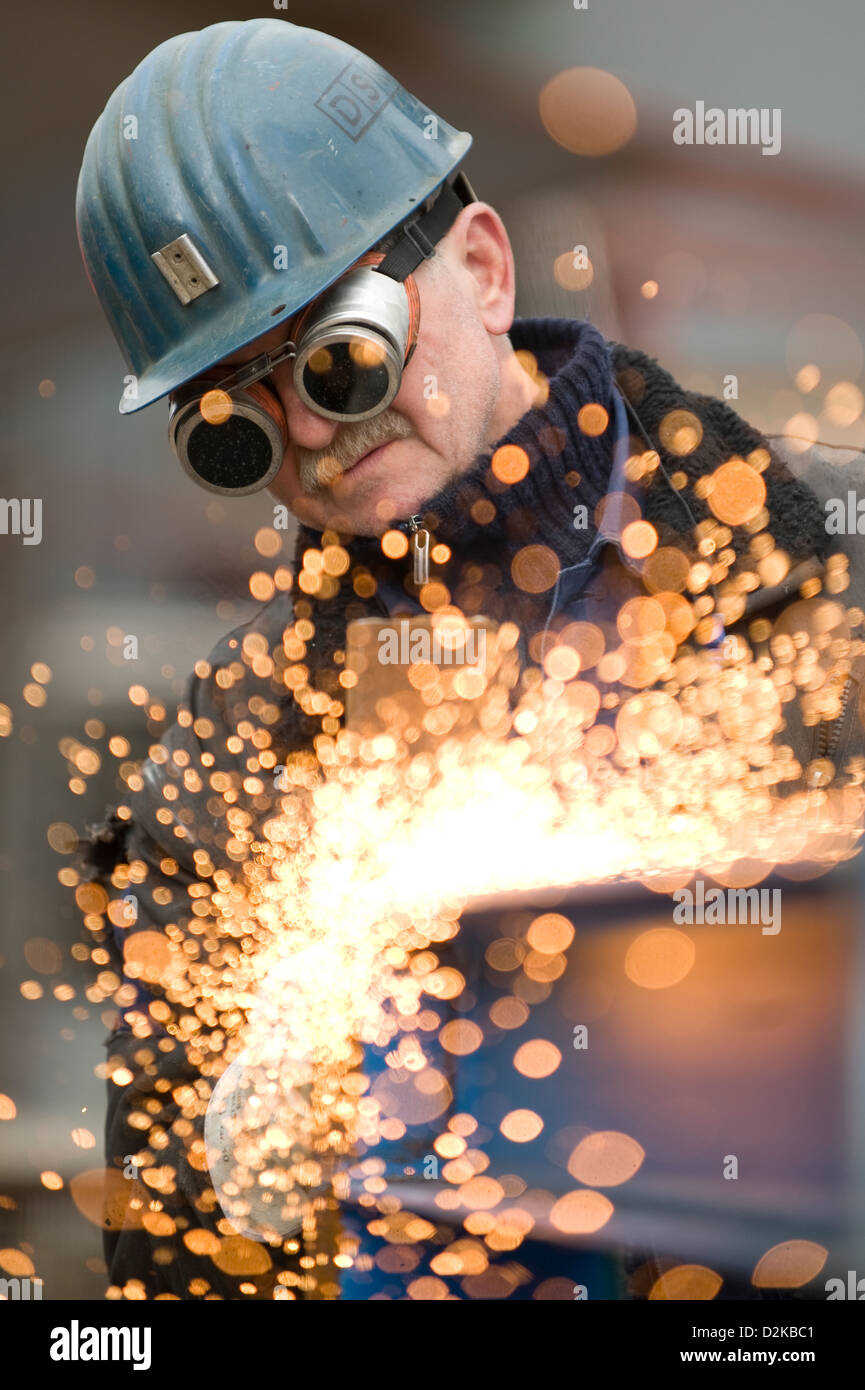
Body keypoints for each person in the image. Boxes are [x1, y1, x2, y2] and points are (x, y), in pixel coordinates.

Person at [76, 18, 864, 1300]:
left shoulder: (829, 570)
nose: (309, 439)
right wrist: (249, 1187)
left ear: (484, 269)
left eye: (339, 359)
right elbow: (162, 1259)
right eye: (233, 418)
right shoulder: (242, 732)